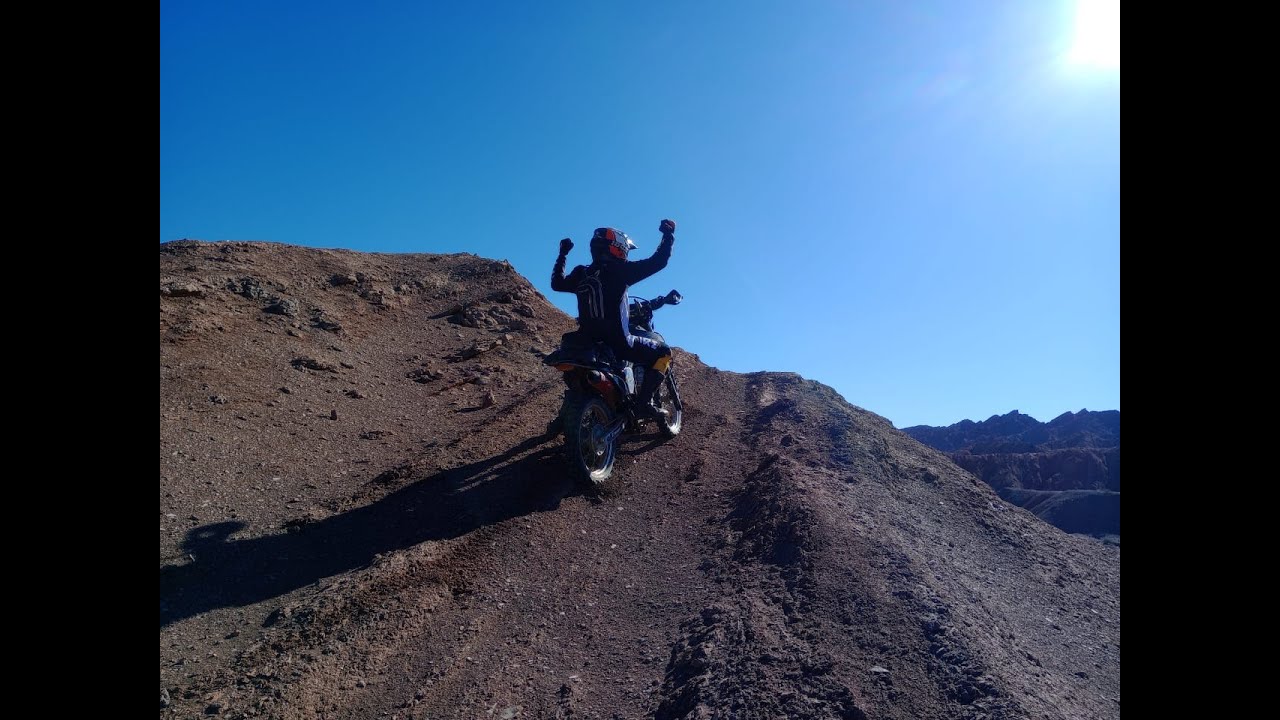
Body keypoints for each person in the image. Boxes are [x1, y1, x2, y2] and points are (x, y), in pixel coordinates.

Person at [551, 219, 677, 419]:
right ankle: (642, 405)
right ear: (618, 247)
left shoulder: (582, 272)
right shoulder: (620, 270)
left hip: (589, 342)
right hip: (620, 343)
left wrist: (563, 254)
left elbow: (557, 283)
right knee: (664, 352)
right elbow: (658, 261)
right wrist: (668, 235)